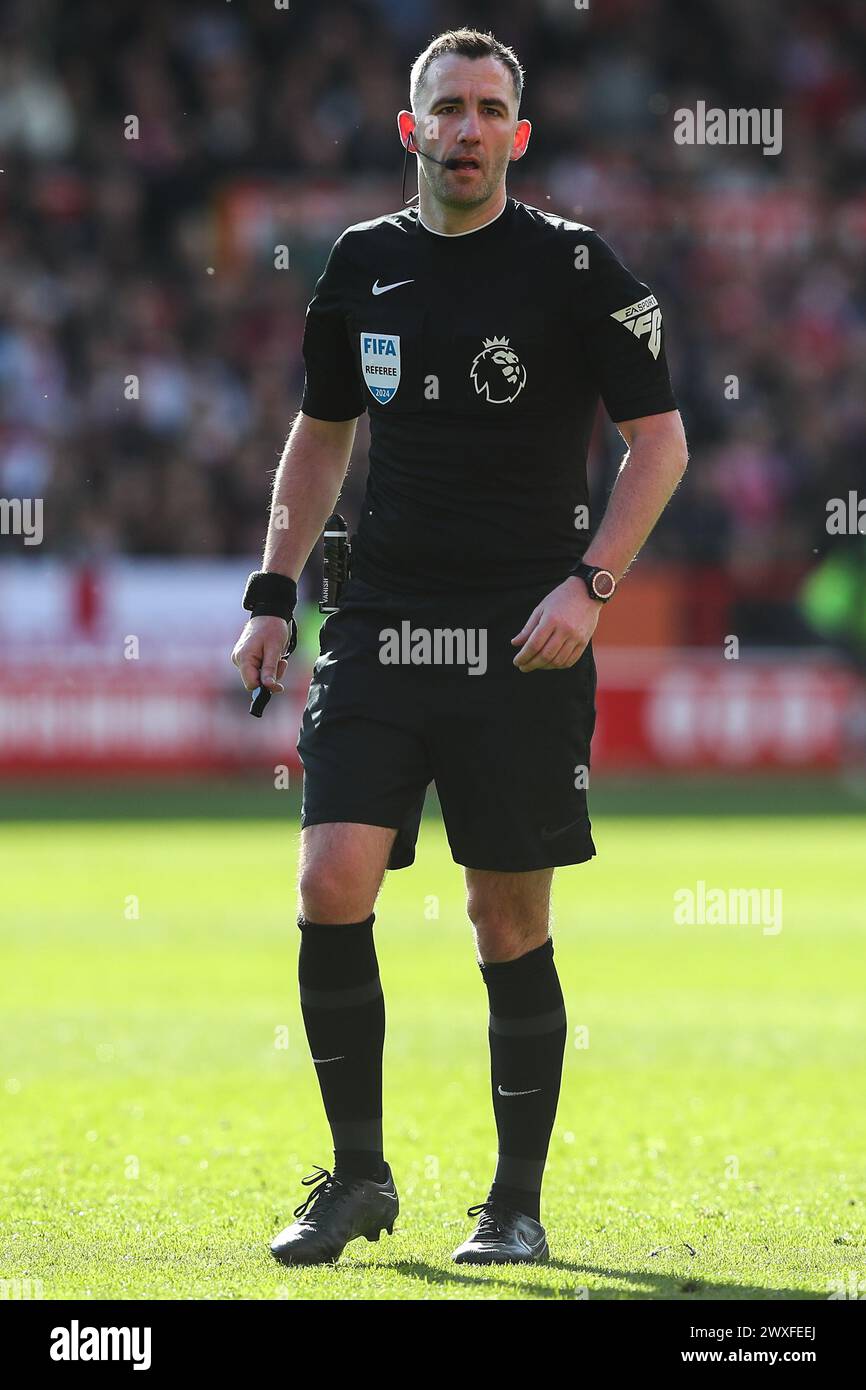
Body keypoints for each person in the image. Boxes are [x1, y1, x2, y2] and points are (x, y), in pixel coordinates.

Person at [231, 27, 688, 1267]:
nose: (470, 128)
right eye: (449, 108)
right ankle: (358, 1178)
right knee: (330, 881)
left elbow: (659, 441)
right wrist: (274, 593)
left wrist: (590, 585)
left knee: (505, 919)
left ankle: (515, 1203)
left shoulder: (576, 267)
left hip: (522, 639)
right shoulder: (359, 265)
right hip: (378, 622)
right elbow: (321, 436)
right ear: (411, 129)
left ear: (517, 136)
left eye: (491, 109)